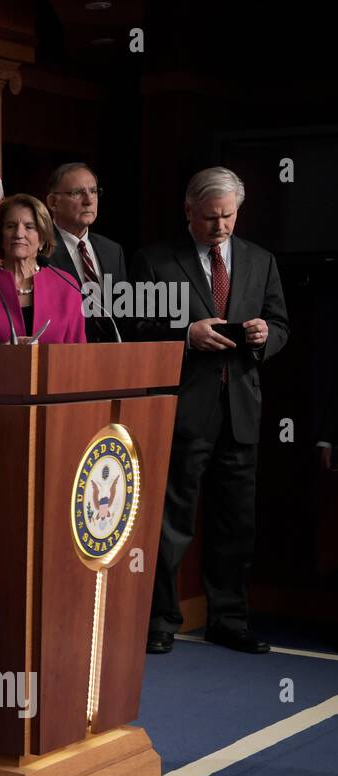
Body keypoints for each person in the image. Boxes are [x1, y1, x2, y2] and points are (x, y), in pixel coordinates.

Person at [133, 167, 288, 655]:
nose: (220, 226)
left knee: (234, 523)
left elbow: (282, 323)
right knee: (171, 522)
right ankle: (160, 620)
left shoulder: (260, 260)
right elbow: (133, 330)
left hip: (241, 409)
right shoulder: (154, 261)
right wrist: (185, 336)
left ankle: (229, 620)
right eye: (210, 218)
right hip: (184, 410)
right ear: (188, 211)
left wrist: (266, 338)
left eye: (228, 216)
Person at [0, 193, 86, 344]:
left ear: (43, 238)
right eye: (10, 226)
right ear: (0, 236)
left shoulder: (66, 286)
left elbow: (78, 353)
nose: (19, 234)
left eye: (29, 227)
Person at [45, 162, 127, 343]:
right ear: (53, 202)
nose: (89, 200)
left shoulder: (112, 250)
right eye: (77, 193)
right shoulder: (41, 250)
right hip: (65, 356)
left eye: (94, 191)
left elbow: (122, 315)